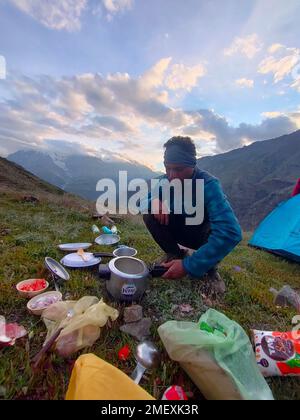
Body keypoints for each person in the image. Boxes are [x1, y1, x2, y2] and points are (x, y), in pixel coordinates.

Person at [143, 136, 242, 288]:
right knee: (149, 213)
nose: (172, 176)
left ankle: (208, 268)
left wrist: (187, 266)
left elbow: (231, 232)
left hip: (202, 236)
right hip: (181, 231)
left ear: (192, 165)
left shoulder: (209, 185)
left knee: (216, 229)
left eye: (178, 169)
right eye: (167, 168)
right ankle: (174, 254)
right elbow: (141, 201)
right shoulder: (164, 182)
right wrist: (154, 201)